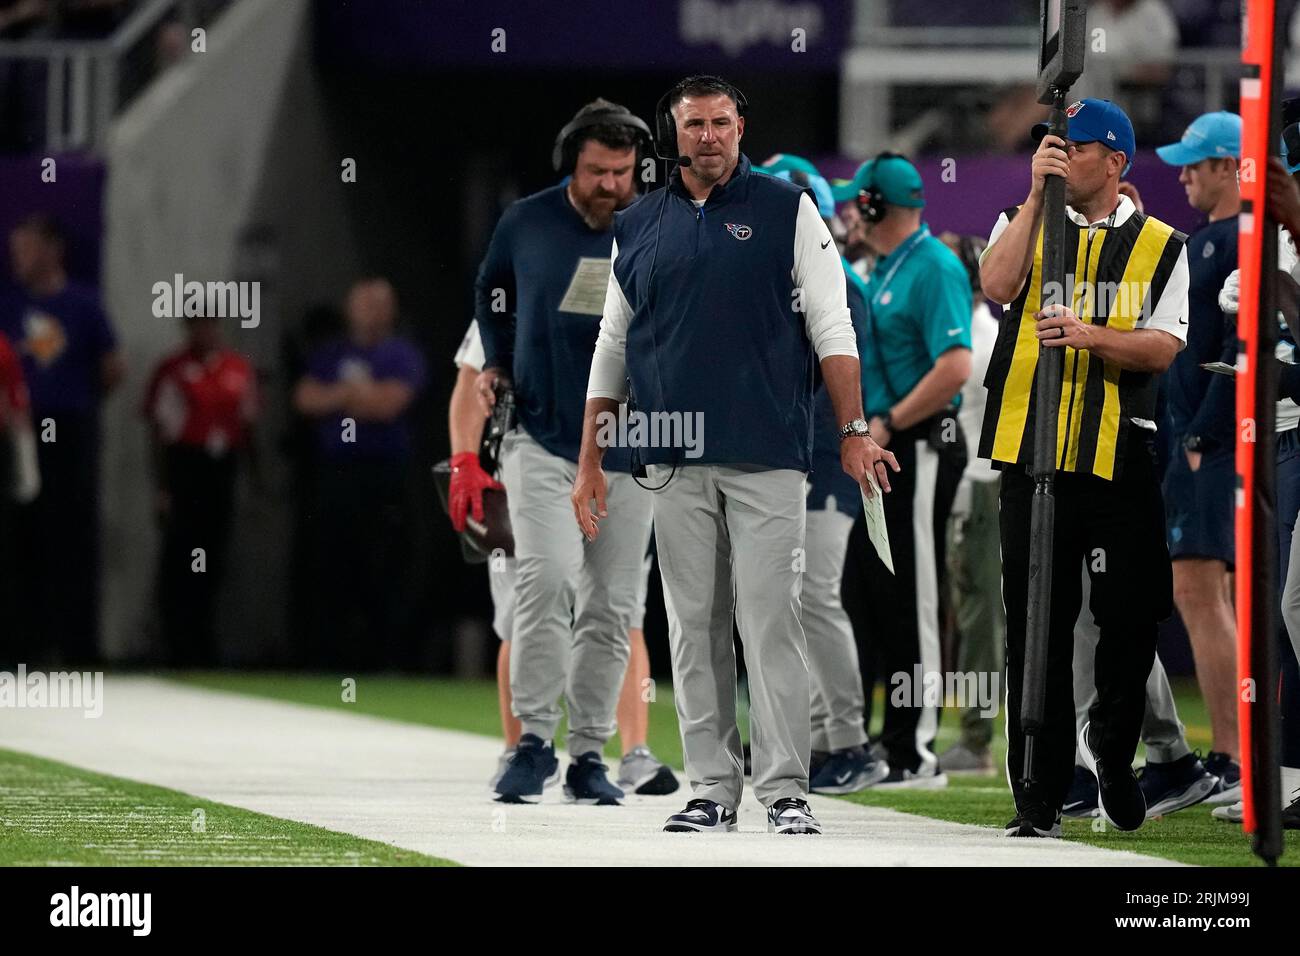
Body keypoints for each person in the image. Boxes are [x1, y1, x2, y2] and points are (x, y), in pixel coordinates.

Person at [575, 75, 896, 835]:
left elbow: (833, 329)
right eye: (695, 125)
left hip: (767, 454)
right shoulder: (638, 222)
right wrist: (591, 460)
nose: (709, 136)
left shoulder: (789, 209)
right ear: (673, 132)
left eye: (721, 122)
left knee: (770, 619)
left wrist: (852, 433)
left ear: (741, 127)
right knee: (692, 625)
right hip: (671, 456)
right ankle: (712, 788)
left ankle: (785, 786)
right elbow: (610, 347)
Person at [978, 98, 1189, 836]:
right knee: (1035, 628)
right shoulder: (1024, 217)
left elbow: (1163, 346)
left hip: (1118, 455)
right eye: (1049, 146)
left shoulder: (1164, 244)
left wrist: (1091, 334)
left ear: (1117, 161)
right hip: (1029, 451)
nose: (1056, 156)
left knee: (1130, 622)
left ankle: (1114, 748)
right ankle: (1037, 793)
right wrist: (1037, 196)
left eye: (1074, 147)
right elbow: (998, 287)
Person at [475, 99, 656, 806]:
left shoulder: (659, 223)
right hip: (542, 436)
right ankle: (530, 742)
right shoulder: (526, 221)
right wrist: (494, 359)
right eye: (594, 172)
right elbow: (490, 288)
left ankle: (588, 754)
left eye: (620, 171)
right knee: (545, 582)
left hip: (629, 441)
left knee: (612, 604)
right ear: (569, 165)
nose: (609, 185)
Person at [448, 318, 676, 795]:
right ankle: (524, 750)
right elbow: (470, 379)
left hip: (618, 459)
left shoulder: (635, 277)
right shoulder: (522, 280)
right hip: (537, 462)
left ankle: (626, 751)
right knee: (529, 606)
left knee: (621, 609)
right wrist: (464, 461)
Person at [833, 153, 972, 788]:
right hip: (891, 445)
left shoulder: (934, 266)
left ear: (872, 205)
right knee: (877, 595)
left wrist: (889, 421)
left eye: (857, 202)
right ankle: (886, 741)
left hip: (918, 441)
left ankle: (916, 749)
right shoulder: (887, 266)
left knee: (914, 595)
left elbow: (955, 366)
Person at [758, 153, 887, 795]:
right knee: (786, 601)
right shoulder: (777, 271)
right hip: (788, 459)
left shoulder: (836, 281)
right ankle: (813, 735)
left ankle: (851, 741)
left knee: (815, 597)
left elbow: (842, 375)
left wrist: (847, 438)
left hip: (823, 459)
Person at [1150, 110, 1245, 800]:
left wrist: (1201, 437)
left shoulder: (1226, 243)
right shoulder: (1219, 241)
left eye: (1197, 162)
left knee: (1200, 591)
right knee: (1216, 594)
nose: (1183, 174)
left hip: (1209, 442)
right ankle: (1239, 750)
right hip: (1209, 439)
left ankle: (1232, 754)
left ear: (1229, 166)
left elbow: (1232, 356)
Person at [1, 213, 123, 665]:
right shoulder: (8, 307)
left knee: (69, 535)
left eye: (26, 248)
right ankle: (22, 644)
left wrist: (76, 402)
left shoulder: (83, 306)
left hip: (68, 430)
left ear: (53, 250)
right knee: (20, 536)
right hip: (18, 433)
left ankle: (73, 646)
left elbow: (113, 368)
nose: (18, 258)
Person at [293, 277, 425, 669]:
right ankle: (330, 658)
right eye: (365, 304)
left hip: (384, 473)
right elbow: (305, 399)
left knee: (385, 563)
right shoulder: (330, 353)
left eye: (381, 304)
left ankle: (386, 659)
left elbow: (390, 404)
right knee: (334, 562)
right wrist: (354, 394)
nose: (373, 312)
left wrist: (342, 397)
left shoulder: (402, 355)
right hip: (337, 474)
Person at [143, 315, 259, 666]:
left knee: (212, 558)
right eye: (198, 325)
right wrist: (163, 486)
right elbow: (160, 434)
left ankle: (202, 641)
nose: (206, 331)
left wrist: (254, 478)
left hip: (221, 469)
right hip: (186, 468)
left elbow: (248, 427)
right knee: (182, 556)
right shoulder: (173, 369)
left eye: (212, 324)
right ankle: (176, 643)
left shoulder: (238, 369)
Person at [937, 232, 1003, 776]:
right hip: (983, 482)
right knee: (978, 610)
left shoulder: (975, 342)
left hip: (984, 484)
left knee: (980, 613)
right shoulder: (983, 332)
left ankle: (977, 737)